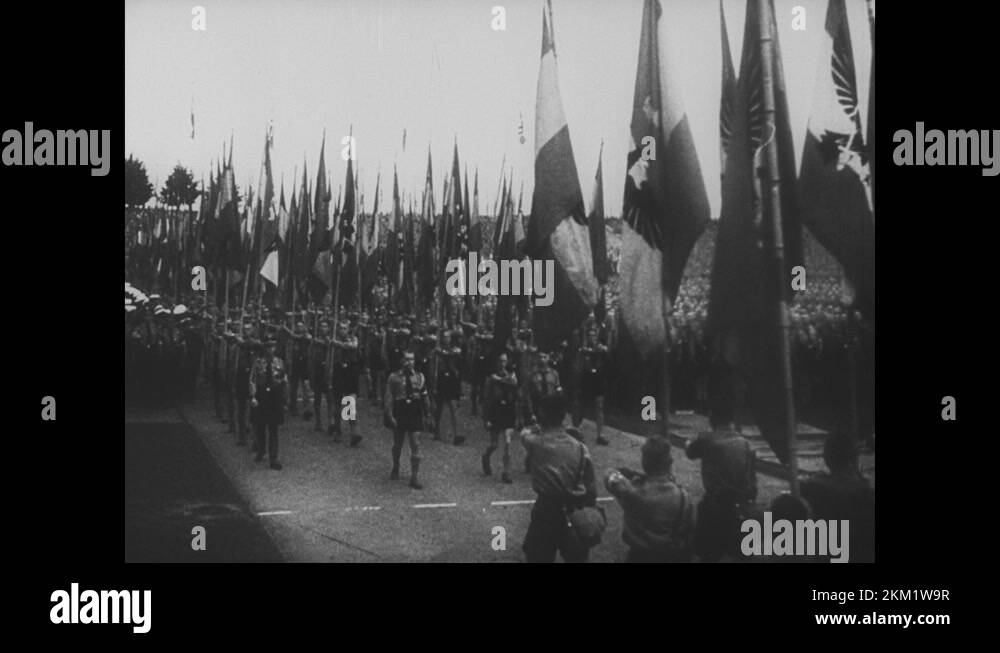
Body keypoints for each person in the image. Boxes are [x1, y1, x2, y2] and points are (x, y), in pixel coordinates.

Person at [520, 393, 597, 563]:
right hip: (575, 509)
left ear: (542, 414)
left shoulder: (535, 442)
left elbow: (524, 432)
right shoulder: (581, 448)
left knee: (537, 557)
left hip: (546, 509)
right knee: (576, 557)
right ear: (564, 415)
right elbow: (591, 486)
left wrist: (538, 425)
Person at [686, 407, 760, 562]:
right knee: (740, 555)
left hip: (715, 505)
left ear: (712, 419)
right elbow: (753, 481)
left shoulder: (707, 439)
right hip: (740, 505)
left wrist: (689, 441)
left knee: (707, 555)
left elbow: (690, 452)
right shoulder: (746, 444)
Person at [605, 437, 695, 562]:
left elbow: (609, 474)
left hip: (639, 556)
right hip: (670, 556)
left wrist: (637, 474)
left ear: (645, 463)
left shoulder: (632, 491)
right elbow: (689, 531)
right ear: (669, 463)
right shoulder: (683, 496)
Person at [800, 433, 875, 563]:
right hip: (859, 554)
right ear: (852, 457)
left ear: (826, 458)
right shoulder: (864, 492)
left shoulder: (814, 488)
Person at [385, 350, 430, 489]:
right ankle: (396, 466)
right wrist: (390, 415)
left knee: (416, 443)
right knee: (398, 443)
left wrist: (428, 414)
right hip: (401, 409)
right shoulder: (394, 377)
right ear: (401, 361)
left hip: (414, 411)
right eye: (406, 359)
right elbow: (389, 397)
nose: (409, 362)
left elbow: (425, 397)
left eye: (412, 359)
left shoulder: (420, 377)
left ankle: (414, 477)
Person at [249, 336, 287, 470]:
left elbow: (283, 380)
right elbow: (252, 380)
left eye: (272, 346)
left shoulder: (279, 362)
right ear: (264, 348)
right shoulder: (258, 362)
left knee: (274, 428)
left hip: (274, 397)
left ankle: (273, 458)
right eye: (268, 346)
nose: (270, 349)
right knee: (260, 426)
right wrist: (253, 396)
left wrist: (284, 399)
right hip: (262, 395)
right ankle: (261, 450)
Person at [482, 352, 518, 483]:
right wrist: (486, 418)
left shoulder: (510, 376)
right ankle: (486, 457)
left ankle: (506, 472)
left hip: (507, 410)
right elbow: (486, 399)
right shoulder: (490, 379)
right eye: (500, 361)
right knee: (494, 444)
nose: (502, 364)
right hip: (495, 411)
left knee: (508, 442)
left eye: (504, 361)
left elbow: (514, 388)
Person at [576, 326, 610, 446]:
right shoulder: (584, 349)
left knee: (599, 406)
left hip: (598, 380)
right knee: (583, 405)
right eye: (590, 335)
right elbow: (581, 363)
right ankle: (577, 430)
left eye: (594, 335)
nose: (592, 337)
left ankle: (600, 435)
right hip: (587, 379)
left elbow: (606, 353)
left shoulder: (601, 348)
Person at [331, 323, 363, 446]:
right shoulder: (334, 339)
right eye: (341, 328)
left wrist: (338, 344)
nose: (342, 330)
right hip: (339, 371)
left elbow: (353, 346)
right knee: (338, 402)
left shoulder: (353, 339)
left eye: (345, 328)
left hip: (350, 371)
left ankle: (354, 431)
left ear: (348, 329)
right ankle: (337, 430)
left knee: (349, 401)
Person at [435, 330, 465, 445]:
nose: (446, 339)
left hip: (452, 380)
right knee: (440, 406)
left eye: (448, 337)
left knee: (453, 406)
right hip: (442, 379)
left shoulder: (455, 350)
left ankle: (456, 434)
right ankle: (437, 430)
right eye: (444, 337)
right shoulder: (439, 350)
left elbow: (457, 359)